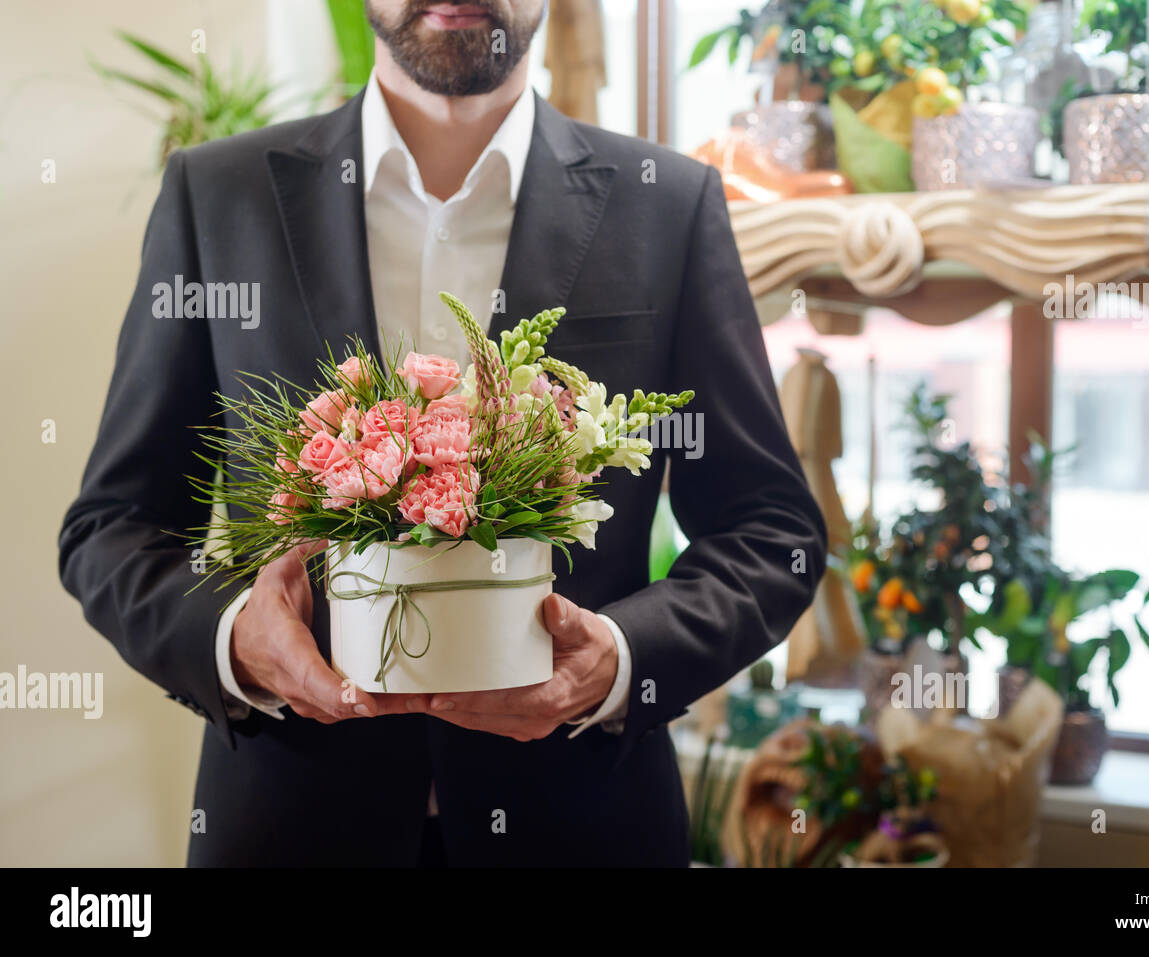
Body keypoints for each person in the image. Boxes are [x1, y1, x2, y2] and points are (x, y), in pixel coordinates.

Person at [59, 0, 826, 866]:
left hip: (583, 826)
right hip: (289, 829)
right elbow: (110, 531)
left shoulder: (670, 206)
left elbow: (772, 533)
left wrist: (615, 659)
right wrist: (235, 638)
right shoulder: (217, 196)